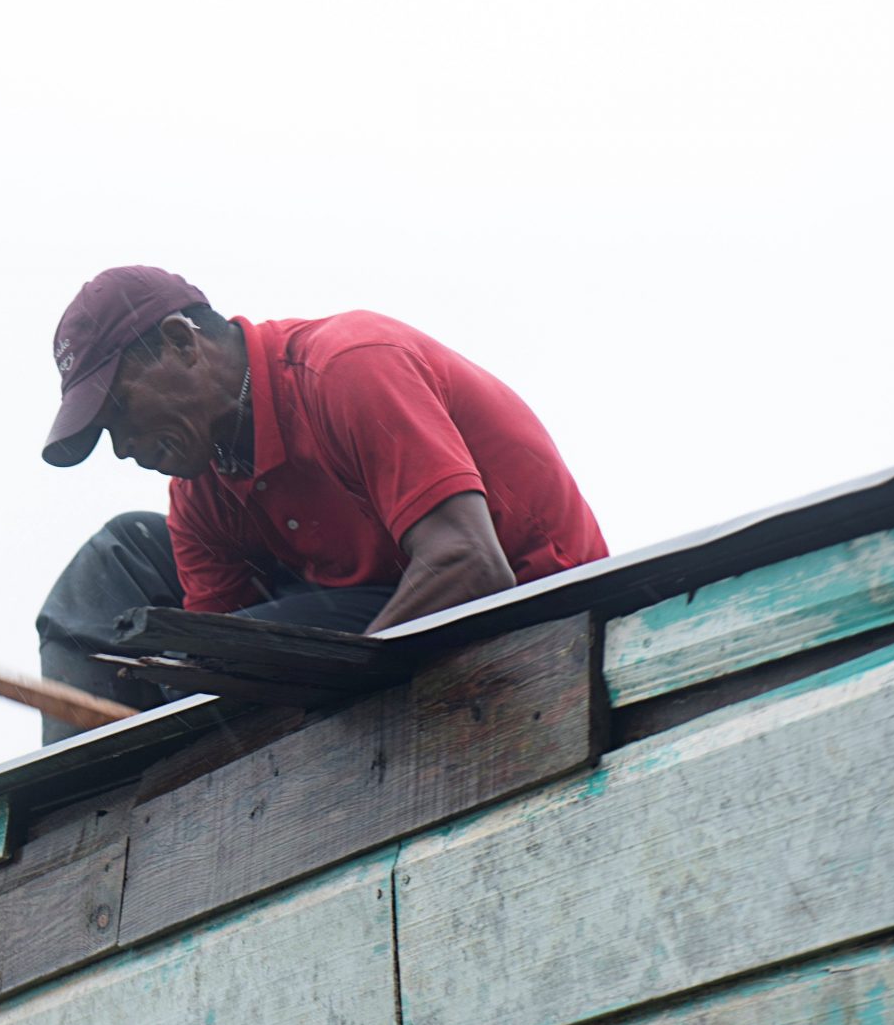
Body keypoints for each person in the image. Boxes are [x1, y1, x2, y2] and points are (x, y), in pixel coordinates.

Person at [35, 265, 607, 740]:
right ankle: (94, 808)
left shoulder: (347, 366)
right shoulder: (199, 491)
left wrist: (334, 697)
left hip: (531, 606)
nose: (123, 448)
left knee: (213, 662)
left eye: (122, 412)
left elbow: (474, 566)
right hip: (381, 613)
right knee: (123, 561)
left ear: (183, 343)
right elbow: (207, 657)